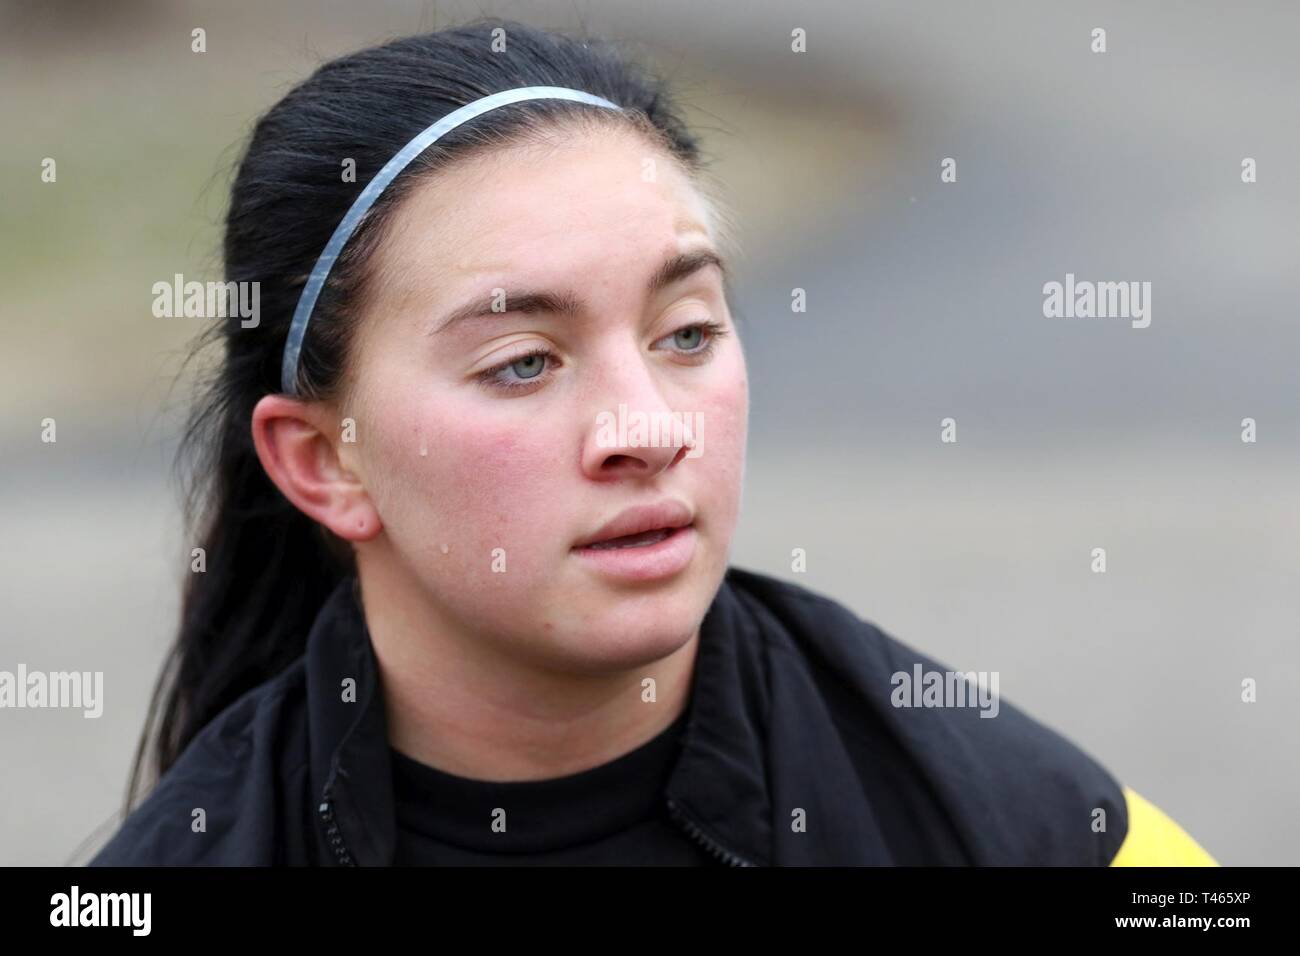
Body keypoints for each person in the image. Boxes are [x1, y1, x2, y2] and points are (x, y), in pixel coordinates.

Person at [90, 19, 1216, 866]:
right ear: (322, 460)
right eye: (522, 361)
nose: (646, 429)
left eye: (685, 332)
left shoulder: (1037, 828)